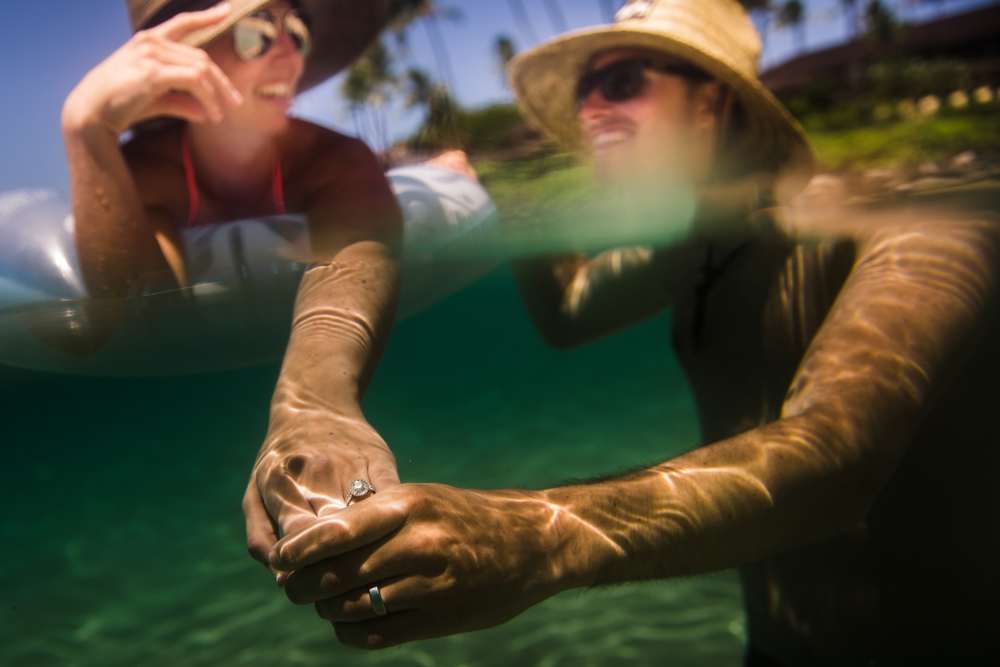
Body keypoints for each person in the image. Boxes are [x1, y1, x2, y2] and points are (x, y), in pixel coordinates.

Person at [259, 0, 1000, 662]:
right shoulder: (707, 243)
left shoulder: (921, 221)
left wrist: (544, 534)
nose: (589, 111)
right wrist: (502, 195)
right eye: (583, 89)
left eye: (619, 83)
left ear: (712, 101)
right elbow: (571, 312)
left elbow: (841, 450)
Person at [63, 0, 406, 554]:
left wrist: (317, 409)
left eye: (299, 29)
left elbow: (356, 252)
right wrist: (87, 128)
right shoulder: (149, 170)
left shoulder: (336, 157)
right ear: (178, 53)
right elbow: (142, 307)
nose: (291, 52)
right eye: (255, 33)